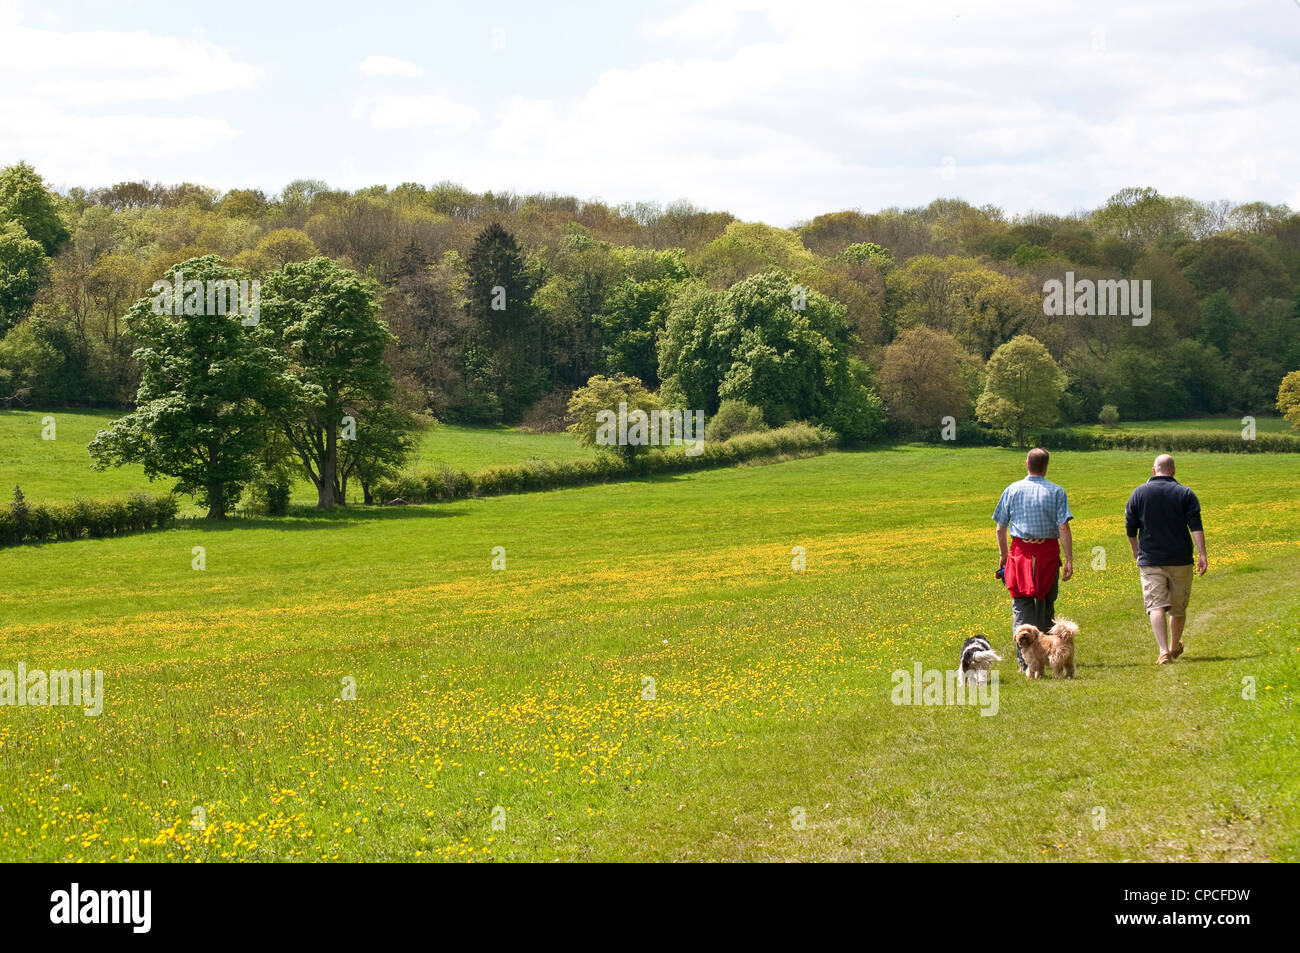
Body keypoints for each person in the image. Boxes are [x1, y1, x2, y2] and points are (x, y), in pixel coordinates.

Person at [992, 448, 1074, 672]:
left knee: (1021, 606)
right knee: (1046, 605)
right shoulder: (1057, 492)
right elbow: (1063, 526)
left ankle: (1026, 662)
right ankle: (1048, 655)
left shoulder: (1012, 490)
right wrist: (1069, 559)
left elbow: (1000, 528)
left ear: (1027, 464)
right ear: (1046, 467)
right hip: (1047, 554)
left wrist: (1003, 555)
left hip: (1020, 555)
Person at [1125, 454, 1208, 664]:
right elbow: (1195, 526)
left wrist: (1135, 549)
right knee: (1178, 608)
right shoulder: (1185, 493)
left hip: (1150, 558)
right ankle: (1172, 648)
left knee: (1156, 605)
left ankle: (1163, 651)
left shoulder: (1139, 493)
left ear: (1154, 470)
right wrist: (1202, 554)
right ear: (1173, 471)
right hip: (1180, 559)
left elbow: (1130, 526)